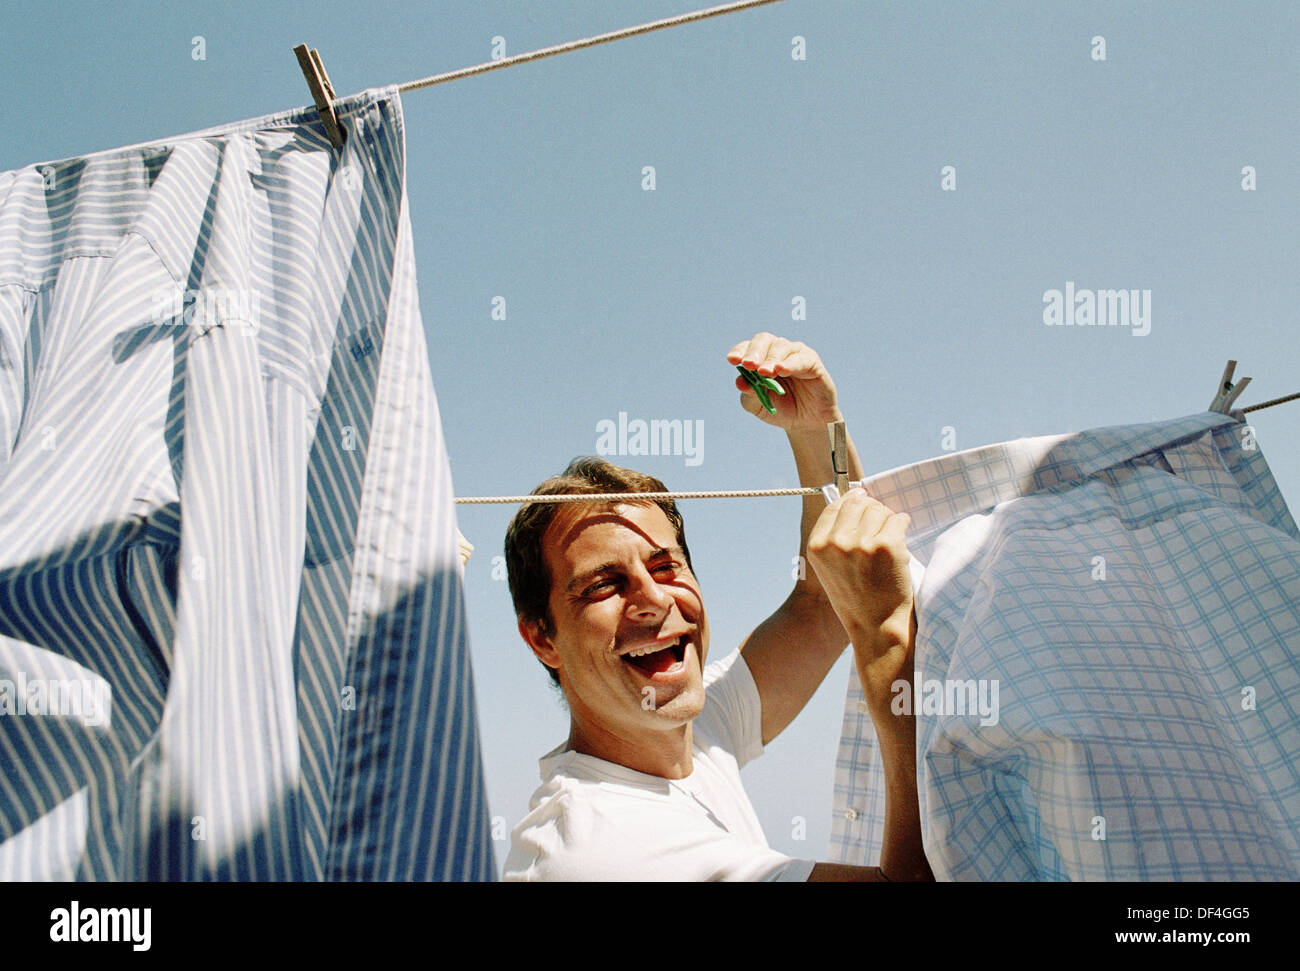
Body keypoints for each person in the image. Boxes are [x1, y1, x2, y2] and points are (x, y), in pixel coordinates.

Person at [501, 333, 933, 881]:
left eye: (664, 568)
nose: (654, 600)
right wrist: (887, 637)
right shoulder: (599, 852)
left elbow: (820, 607)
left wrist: (816, 426)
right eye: (604, 585)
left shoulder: (693, 731)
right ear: (542, 638)